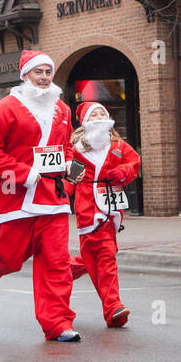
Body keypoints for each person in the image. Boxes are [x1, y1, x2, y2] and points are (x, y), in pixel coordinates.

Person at [0, 50, 84, 342]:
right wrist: (24, 173)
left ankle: (58, 323)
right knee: (9, 258)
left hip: (53, 198)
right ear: (26, 75)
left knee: (56, 262)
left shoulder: (63, 110)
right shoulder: (5, 108)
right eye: (38, 72)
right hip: (16, 197)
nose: (44, 78)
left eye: (48, 72)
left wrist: (70, 166)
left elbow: (65, 148)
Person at [68, 101, 141, 327]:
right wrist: (58, 202)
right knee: (98, 256)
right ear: (85, 122)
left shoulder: (118, 145)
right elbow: (69, 181)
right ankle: (112, 307)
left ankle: (112, 307)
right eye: (94, 114)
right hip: (88, 207)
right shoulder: (77, 150)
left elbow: (134, 163)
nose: (99, 117)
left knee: (100, 255)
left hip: (110, 209)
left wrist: (122, 172)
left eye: (102, 113)